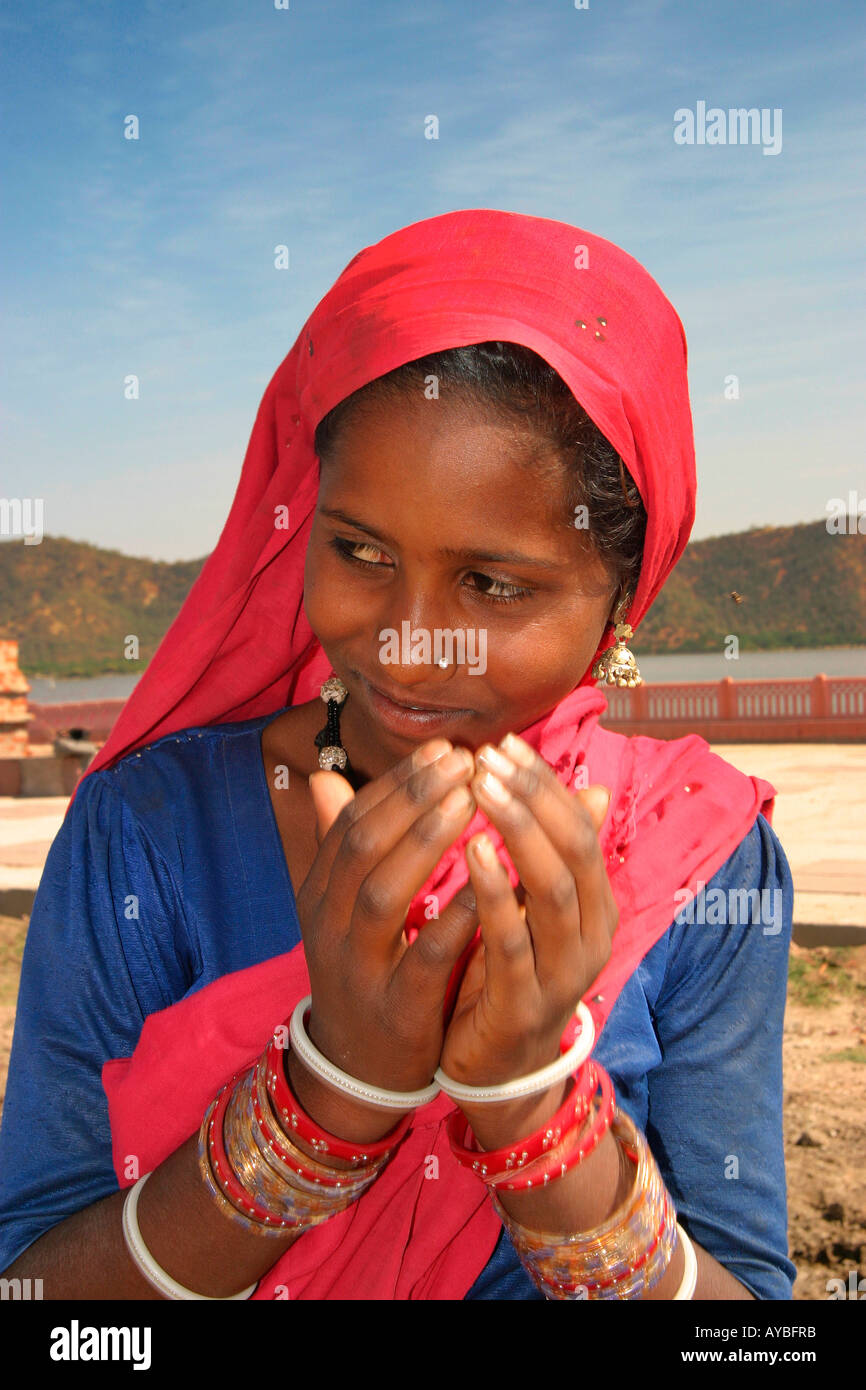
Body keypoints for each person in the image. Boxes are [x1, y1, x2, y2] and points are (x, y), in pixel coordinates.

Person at [0, 209, 796, 1300]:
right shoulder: (151, 830)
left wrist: (528, 1110)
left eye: (491, 583)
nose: (407, 641)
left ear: (620, 599)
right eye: (360, 550)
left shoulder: (699, 855)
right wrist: (330, 1092)